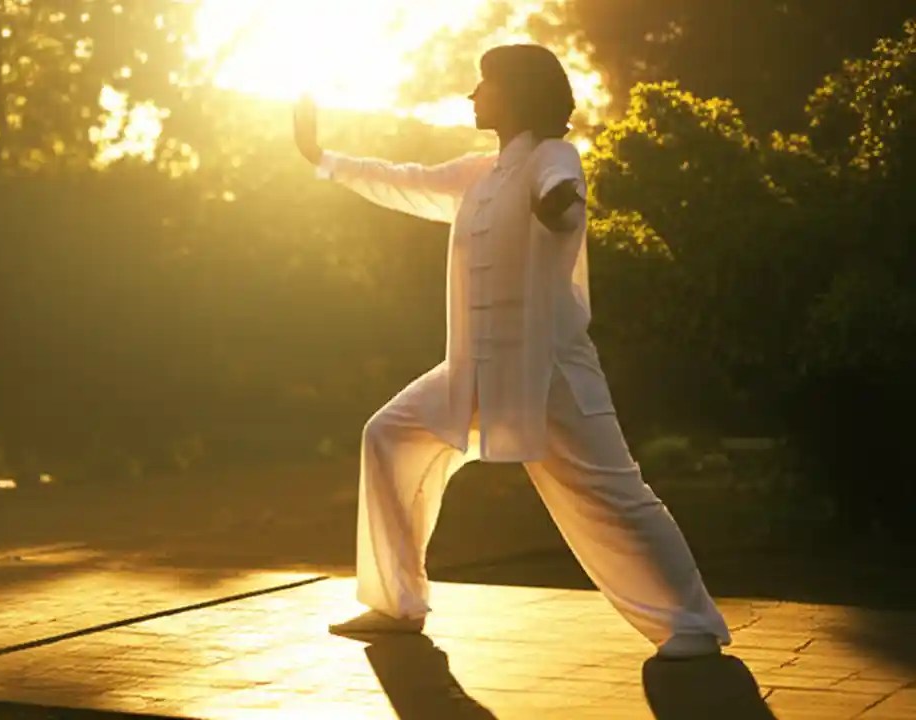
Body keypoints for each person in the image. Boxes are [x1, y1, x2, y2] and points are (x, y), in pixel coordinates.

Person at [293, 43, 731, 659]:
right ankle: (396, 604)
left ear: (518, 93)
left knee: (614, 493)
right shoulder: (479, 174)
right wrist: (324, 159)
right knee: (388, 435)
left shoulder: (553, 158)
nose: (473, 95)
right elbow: (407, 182)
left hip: (550, 375)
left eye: (485, 84)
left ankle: (692, 624)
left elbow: (562, 193)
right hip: (473, 373)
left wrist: (558, 208)